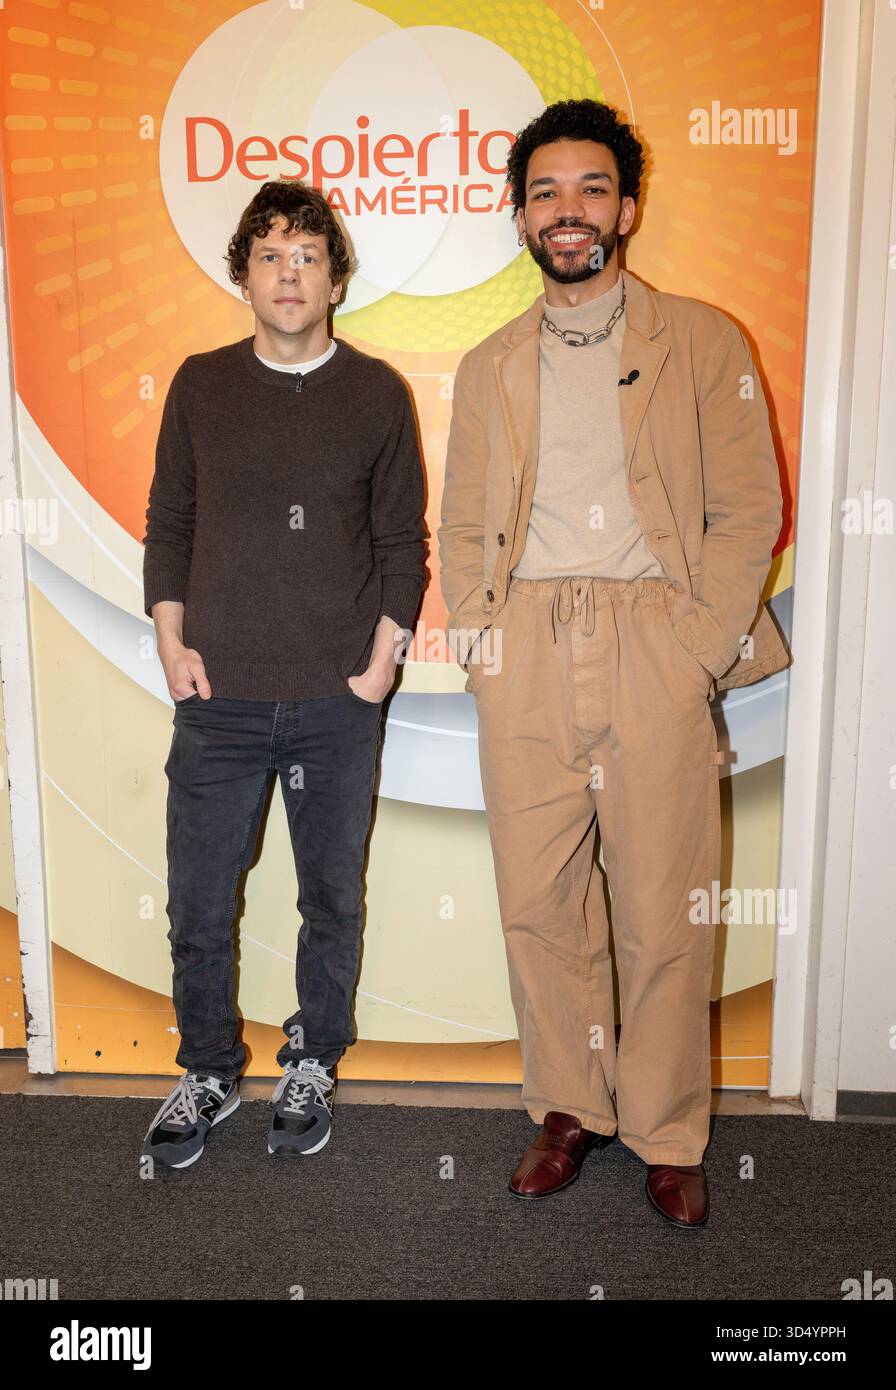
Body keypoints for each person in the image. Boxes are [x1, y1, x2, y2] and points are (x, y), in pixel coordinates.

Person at [438, 99, 789, 1227]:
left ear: (625, 207)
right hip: (525, 648)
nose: (567, 210)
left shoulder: (702, 340)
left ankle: (669, 1131)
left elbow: (748, 511)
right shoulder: (489, 367)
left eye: (589, 188)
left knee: (661, 907)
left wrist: (692, 647)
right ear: (521, 219)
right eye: (543, 192)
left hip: (653, 640)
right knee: (539, 904)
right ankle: (568, 1109)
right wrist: (486, 644)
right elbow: (459, 523)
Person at [141, 178, 426, 1170]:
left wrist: (377, 668)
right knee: (197, 898)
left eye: (307, 254)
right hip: (213, 701)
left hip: (332, 706)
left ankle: (313, 1058)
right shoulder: (200, 383)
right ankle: (210, 1065)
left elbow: (401, 544)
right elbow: (169, 523)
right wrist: (171, 643)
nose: (288, 271)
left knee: (329, 897)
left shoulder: (376, 392)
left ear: (337, 277)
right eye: (269, 254)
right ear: (242, 275)